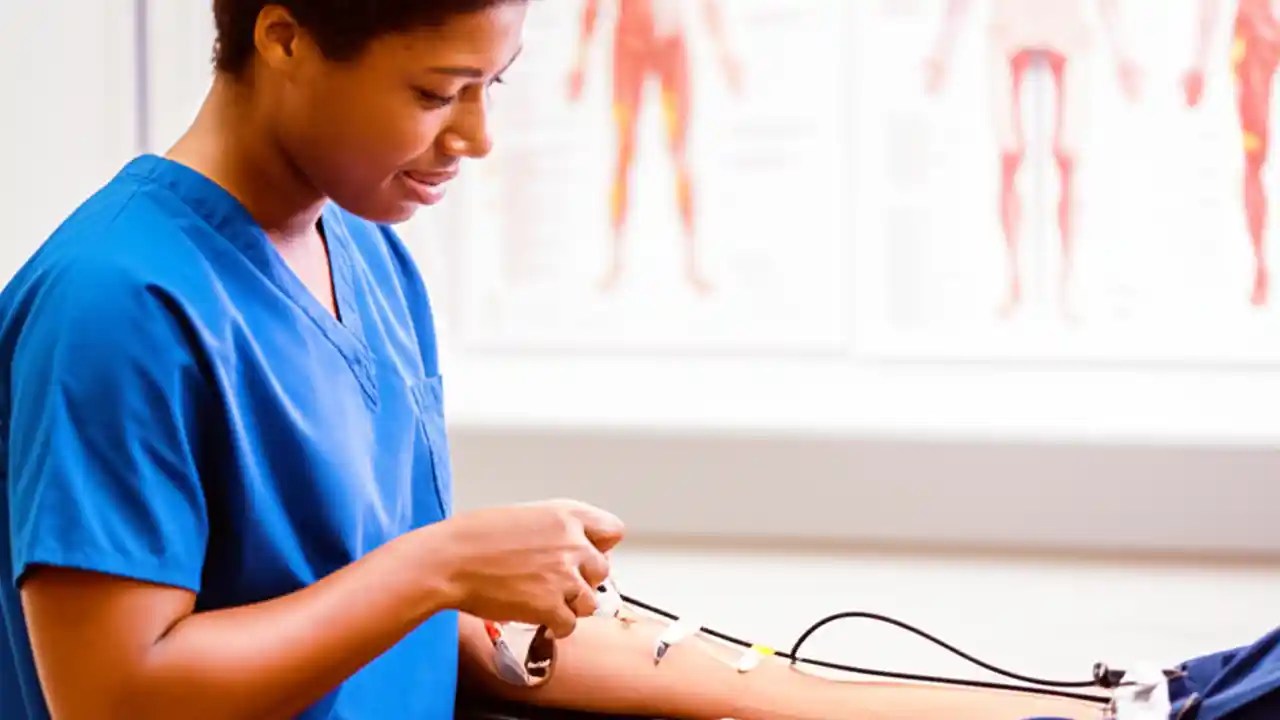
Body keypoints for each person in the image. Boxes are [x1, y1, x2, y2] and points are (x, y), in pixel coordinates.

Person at [0, 1, 1104, 718]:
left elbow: (392, 625)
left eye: (496, 85)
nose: (475, 138)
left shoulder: (370, 254)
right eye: (435, 93)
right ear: (282, 38)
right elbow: (112, 695)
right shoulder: (119, 302)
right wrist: (436, 568)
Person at [926, 0, 1140, 320]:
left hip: (1068, 33)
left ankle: (1067, 281)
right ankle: (1014, 279)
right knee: (1010, 157)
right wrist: (941, 54)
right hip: (1009, 33)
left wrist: (1124, 54)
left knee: (1068, 159)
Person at [567, 0, 742, 295]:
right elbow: (592, 6)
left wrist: (725, 53)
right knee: (624, 151)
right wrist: (580, 62)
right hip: (629, 46)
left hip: (671, 46)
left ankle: (692, 262)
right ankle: (616, 259)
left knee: (680, 152)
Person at [1184, 0, 1279, 307]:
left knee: (1255, 160)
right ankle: (1259, 263)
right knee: (1254, 158)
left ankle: (1259, 264)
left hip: (1257, 32)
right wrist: (1198, 64)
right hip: (1251, 38)